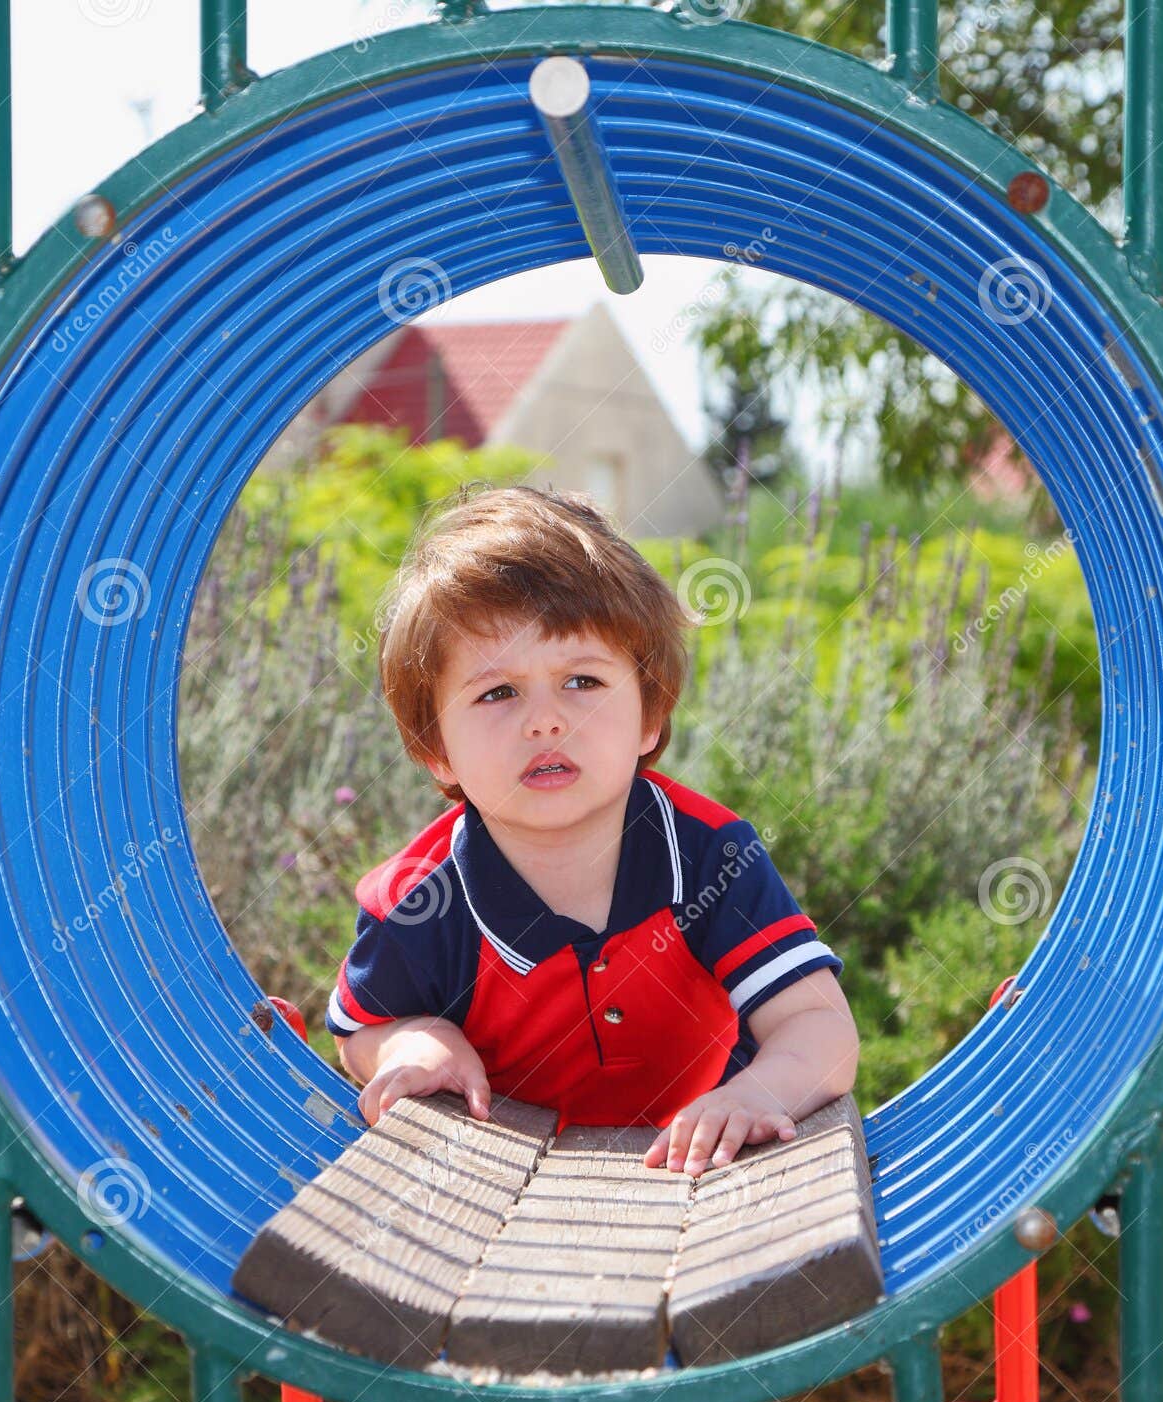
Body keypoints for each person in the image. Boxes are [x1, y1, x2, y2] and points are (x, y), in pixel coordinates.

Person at [324, 484, 859, 1176]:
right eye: (497, 692)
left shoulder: (707, 858)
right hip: (505, 1195)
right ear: (436, 747)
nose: (546, 720)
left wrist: (755, 1094)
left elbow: (822, 1029)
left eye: (582, 681)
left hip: (699, 1184)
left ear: (649, 718)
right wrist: (414, 1044)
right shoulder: (424, 898)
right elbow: (360, 1026)